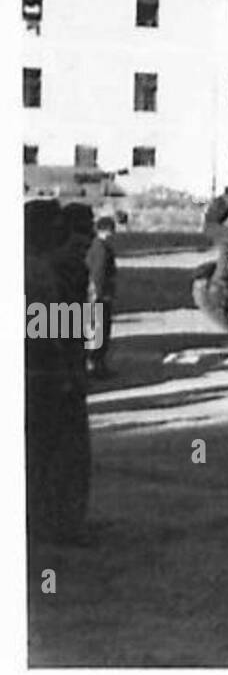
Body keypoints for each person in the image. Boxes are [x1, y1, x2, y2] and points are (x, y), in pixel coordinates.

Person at [25, 200, 92, 545]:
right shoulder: (42, 273)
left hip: (36, 375)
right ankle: (59, 526)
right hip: (49, 378)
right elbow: (52, 333)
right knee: (62, 456)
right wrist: (69, 374)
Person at [84, 216, 118, 379]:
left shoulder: (94, 246)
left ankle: (95, 364)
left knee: (95, 330)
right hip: (100, 296)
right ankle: (96, 366)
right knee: (100, 330)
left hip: (95, 295)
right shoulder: (102, 249)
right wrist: (100, 294)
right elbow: (99, 273)